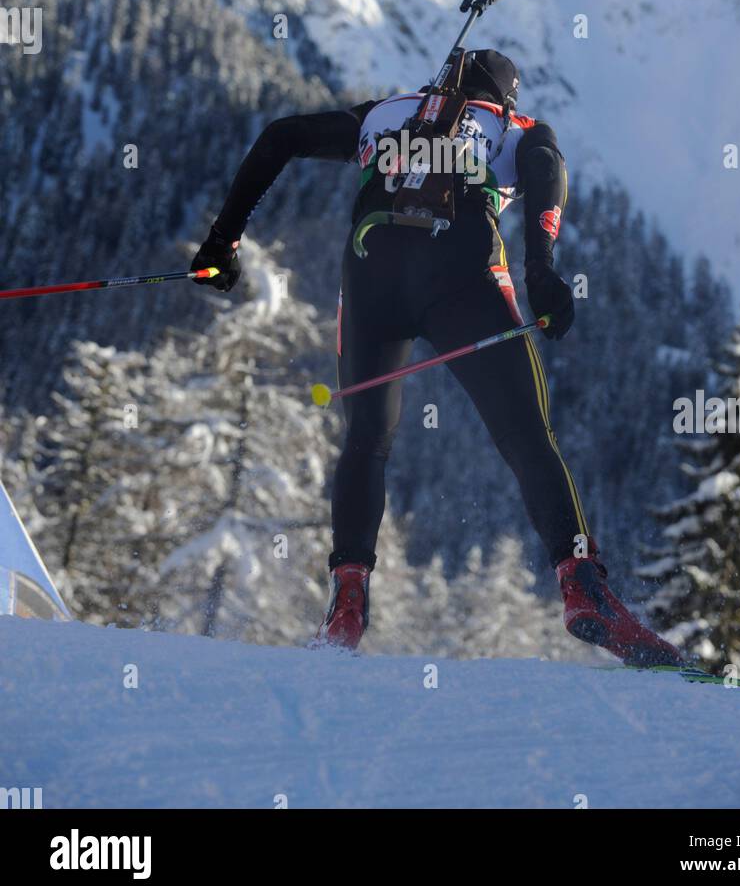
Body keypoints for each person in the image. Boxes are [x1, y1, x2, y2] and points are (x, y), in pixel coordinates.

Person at [191, 49, 684, 667]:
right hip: (463, 277)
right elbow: (544, 170)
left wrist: (223, 238)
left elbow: (281, 136)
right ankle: (582, 587)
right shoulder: (513, 126)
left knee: (366, 443)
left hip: (372, 277)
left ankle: (346, 603)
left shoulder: (383, 113)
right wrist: (542, 270)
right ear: (505, 96)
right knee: (529, 438)